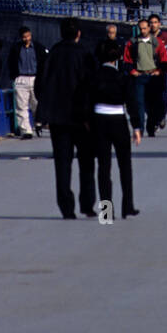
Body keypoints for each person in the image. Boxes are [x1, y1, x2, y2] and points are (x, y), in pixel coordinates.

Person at [35, 17, 97, 219]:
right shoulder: (85, 54)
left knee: (62, 164)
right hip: (83, 119)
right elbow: (93, 86)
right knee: (87, 163)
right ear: (78, 33)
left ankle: (66, 208)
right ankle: (87, 204)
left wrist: (45, 110)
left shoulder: (52, 54)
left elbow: (40, 85)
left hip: (58, 118)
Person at [90, 42, 142, 219]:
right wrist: (136, 126)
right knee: (124, 165)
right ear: (118, 57)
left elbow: (86, 102)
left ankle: (106, 212)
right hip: (118, 121)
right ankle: (128, 205)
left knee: (104, 167)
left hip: (99, 121)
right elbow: (132, 103)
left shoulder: (93, 76)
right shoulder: (123, 77)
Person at [123, 17, 167, 137]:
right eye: (140, 28)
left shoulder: (157, 42)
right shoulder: (132, 43)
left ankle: (151, 126)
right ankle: (141, 128)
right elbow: (127, 60)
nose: (142, 31)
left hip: (153, 76)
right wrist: (132, 71)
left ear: (149, 28)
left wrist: (159, 71)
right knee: (139, 104)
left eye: (144, 28)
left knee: (154, 104)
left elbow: (164, 59)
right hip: (139, 76)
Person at [8, 26, 46, 139]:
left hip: (35, 78)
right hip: (21, 78)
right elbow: (11, 62)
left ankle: (38, 122)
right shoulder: (16, 48)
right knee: (21, 106)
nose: (27, 39)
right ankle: (26, 130)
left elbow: (44, 61)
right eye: (24, 37)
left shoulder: (38, 48)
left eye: (28, 36)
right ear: (21, 37)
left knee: (37, 104)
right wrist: (14, 76)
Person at [147, 13, 167, 128]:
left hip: (163, 71)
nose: (153, 25)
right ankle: (153, 118)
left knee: (163, 96)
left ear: (159, 24)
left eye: (155, 22)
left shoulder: (166, 37)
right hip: (148, 70)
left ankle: (162, 117)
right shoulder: (144, 37)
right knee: (150, 97)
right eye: (151, 23)